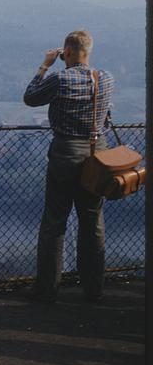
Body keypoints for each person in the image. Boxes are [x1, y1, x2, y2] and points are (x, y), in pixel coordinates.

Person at [23, 29, 113, 303]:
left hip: (66, 152)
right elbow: (106, 118)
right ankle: (94, 288)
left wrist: (45, 65)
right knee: (92, 219)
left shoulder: (60, 78)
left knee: (55, 221)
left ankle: (47, 289)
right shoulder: (105, 78)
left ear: (68, 52)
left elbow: (30, 97)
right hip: (97, 153)